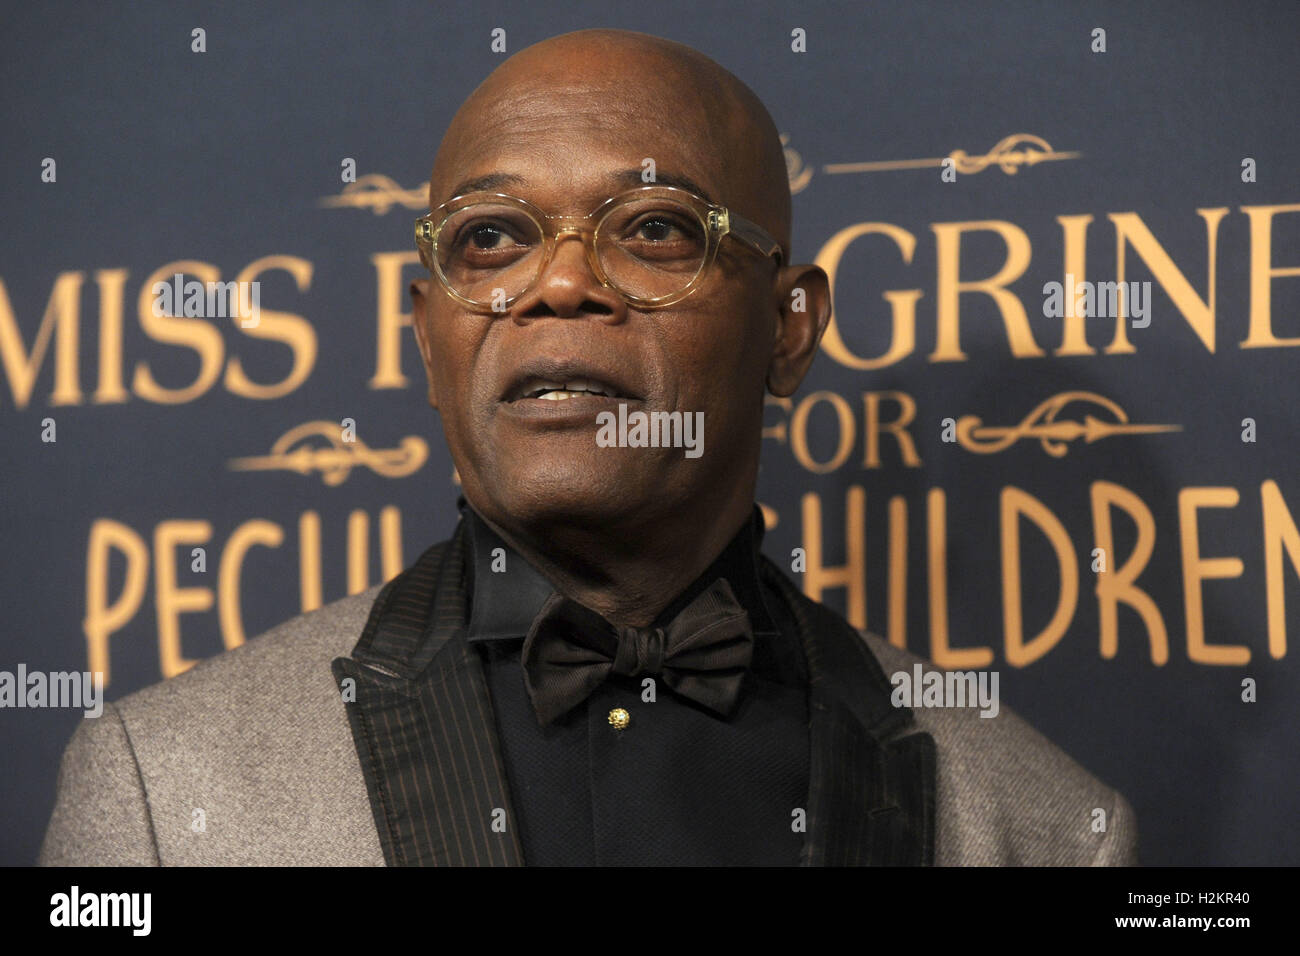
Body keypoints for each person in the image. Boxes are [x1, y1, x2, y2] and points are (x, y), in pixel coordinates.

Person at [40, 27, 1137, 866]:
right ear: (428, 339)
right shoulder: (158, 793)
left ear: (788, 327)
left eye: (654, 226)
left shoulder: (1036, 824)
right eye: (492, 237)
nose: (560, 282)